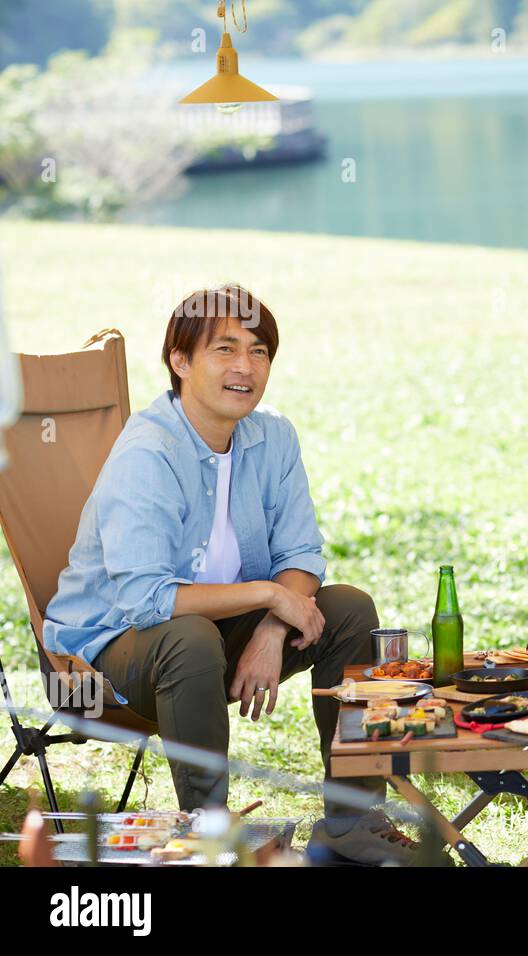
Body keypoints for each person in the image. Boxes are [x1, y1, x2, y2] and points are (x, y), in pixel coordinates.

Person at [41, 285, 414, 865]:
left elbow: (302, 554)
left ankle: (353, 819)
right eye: (226, 349)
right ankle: (206, 832)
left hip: (219, 637)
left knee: (349, 610)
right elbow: (145, 600)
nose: (246, 367)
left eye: (260, 351)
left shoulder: (273, 438)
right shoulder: (149, 452)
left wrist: (270, 630)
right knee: (190, 638)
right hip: (111, 650)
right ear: (181, 361)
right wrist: (269, 595)